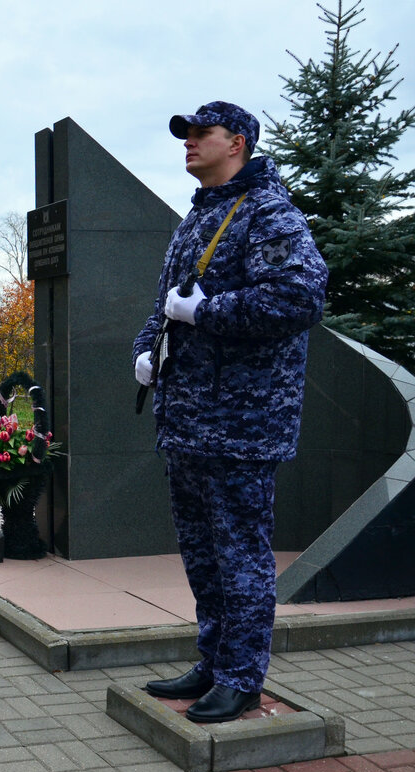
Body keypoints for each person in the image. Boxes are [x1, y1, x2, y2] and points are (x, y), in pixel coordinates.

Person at [133, 102, 327, 722]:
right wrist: (147, 349)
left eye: (201, 134)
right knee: (201, 552)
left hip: (242, 424)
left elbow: (299, 296)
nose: (188, 143)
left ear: (236, 142)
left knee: (241, 554)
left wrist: (207, 314)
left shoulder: (267, 210)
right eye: (185, 135)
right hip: (188, 419)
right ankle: (214, 660)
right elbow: (168, 300)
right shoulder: (199, 218)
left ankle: (242, 676)